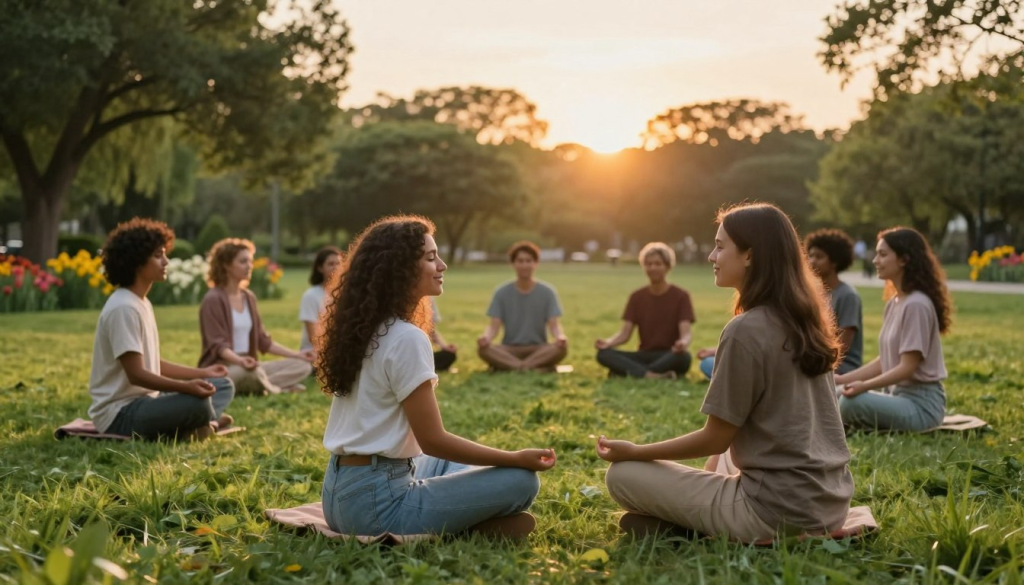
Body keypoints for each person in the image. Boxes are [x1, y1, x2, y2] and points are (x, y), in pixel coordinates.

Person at [597, 203, 854, 542]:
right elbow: (725, 441)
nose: (711, 256)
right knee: (724, 457)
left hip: (774, 512)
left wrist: (636, 451)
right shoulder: (807, 319)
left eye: (720, 246)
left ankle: (702, 525)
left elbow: (714, 437)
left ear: (749, 255)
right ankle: (698, 520)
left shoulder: (744, 330)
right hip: (828, 503)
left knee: (622, 475)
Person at [318, 215, 556, 539]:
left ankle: (466, 520)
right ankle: (469, 525)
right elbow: (434, 440)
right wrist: (513, 458)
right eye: (430, 258)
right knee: (522, 480)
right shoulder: (406, 337)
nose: (442, 265)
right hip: (379, 506)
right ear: (400, 269)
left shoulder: (362, 330)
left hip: (338, 494)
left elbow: (429, 449)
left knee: (449, 465)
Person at [89, 218, 235, 441]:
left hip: (147, 401)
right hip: (120, 414)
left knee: (222, 385)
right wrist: (187, 388)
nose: (166, 261)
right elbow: (137, 374)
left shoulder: (141, 302)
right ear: (137, 262)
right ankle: (203, 422)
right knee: (197, 402)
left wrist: (203, 373)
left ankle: (201, 422)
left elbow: (152, 364)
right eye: (158, 256)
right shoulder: (124, 308)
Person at [834, 227, 951, 431]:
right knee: (834, 393)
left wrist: (865, 386)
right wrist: (843, 379)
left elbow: (907, 367)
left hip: (922, 406)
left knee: (850, 402)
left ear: (904, 260)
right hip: (896, 397)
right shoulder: (895, 302)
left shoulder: (917, 304)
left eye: (883, 254)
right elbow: (885, 360)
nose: (875, 261)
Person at [198, 238, 313, 395]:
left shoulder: (249, 297)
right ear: (226, 265)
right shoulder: (213, 299)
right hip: (224, 368)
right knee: (247, 372)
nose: (249, 266)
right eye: (243, 261)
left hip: (250, 364)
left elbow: (263, 341)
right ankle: (277, 390)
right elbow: (218, 346)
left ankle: (259, 385)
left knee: (302, 365)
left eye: (250, 261)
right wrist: (239, 361)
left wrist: (297, 355)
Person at [595, 242, 695, 379]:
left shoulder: (681, 296)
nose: (652, 267)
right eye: (648, 264)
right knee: (604, 354)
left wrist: (683, 343)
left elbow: (686, 333)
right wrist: (608, 343)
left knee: (684, 357)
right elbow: (625, 334)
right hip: (643, 355)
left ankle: (628, 372)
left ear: (667, 266)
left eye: (658, 263)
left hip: (669, 354)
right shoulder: (636, 297)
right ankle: (651, 375)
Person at [478, 241, 568, 372]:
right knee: (484, 350)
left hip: (539, 349)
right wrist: (486, 338)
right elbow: (494, 326)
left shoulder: (548, 292)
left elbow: (553, 324)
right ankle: (534, 368)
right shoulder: (501, 292)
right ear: (513, 264)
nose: (524, 265)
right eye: (520, 261)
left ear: (536, 263)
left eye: (528, 261)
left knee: (560, 348)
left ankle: (512, 367)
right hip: (509, 349)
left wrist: (560, 337)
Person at [805, 229, 863, 374]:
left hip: (842, 367)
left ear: (835, 262)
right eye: (810, 255)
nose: (812, 261)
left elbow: (843, 345)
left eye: (819, 256)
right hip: (817, 360)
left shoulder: (848, 296)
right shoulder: (813, 294)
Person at [299, 246, 343, 354]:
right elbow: (313, 338)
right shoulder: (310, 296)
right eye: (331, 264)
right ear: (320, 268)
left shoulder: (347, 294)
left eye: (338, 263)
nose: (336, 267)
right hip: (314, 352)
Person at [430, 297, 458, 372]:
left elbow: (431, 330)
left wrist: (444, 347)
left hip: (423, 353)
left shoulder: (429, 298)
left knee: (449, 355)